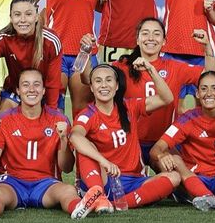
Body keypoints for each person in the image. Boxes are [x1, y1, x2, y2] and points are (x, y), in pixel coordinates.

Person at [0, 69, 102, 218]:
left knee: (68, 191)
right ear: (18, 90)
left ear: (44, 90)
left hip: (46, 184)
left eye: (36, 85)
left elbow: (67, 167)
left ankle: (78, 207)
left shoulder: (59, 119)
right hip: (12, 183)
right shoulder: (5, 119)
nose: (31, 89)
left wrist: (64, 140)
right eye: (26, 85)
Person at [71, 63, 180, 211]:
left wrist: (151, 70)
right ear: (91, 87)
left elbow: (166, 98)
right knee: (85, 147)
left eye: (109, 80)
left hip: (133, 181)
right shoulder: (88, 114)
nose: (104, 85)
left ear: (116, 86)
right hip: (104, 178)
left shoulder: (130, 107)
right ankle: (98, 194)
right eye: (98, 81)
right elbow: (75, 137)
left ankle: (117, 204)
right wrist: (104, 162)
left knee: (174, 178)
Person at [110, 17, 214, 162]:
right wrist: (87, 54)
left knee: (177, 175)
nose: (151, 38)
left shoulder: (175, 67)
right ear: (137, 39)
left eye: (156, 34)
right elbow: (93, 80)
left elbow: (211, 79)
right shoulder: (122, 66)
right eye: (145, 33)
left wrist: (207, 48)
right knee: (131, 182)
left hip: (164, 141)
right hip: (131, 140)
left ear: (164, 41)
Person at [150, 71, 215, 211]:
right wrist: (161, 155)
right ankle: (206, 197)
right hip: (194, 178)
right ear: (197, 93)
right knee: (175, 159)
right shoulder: (187, 119)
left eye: (214, 88)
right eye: (204, 88)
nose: (209, 93)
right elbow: (157, 148)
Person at [0, 0, 62, 113]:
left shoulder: (51, 41)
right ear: (11, 18)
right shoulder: (4, 38)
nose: (23, 20)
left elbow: (53, 82)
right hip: (15, 92)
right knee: (2, 122)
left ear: (37, 17)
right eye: (17, 15)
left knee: (59, 126)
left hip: (44, 93)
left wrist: (52, 111)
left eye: (28, 14)